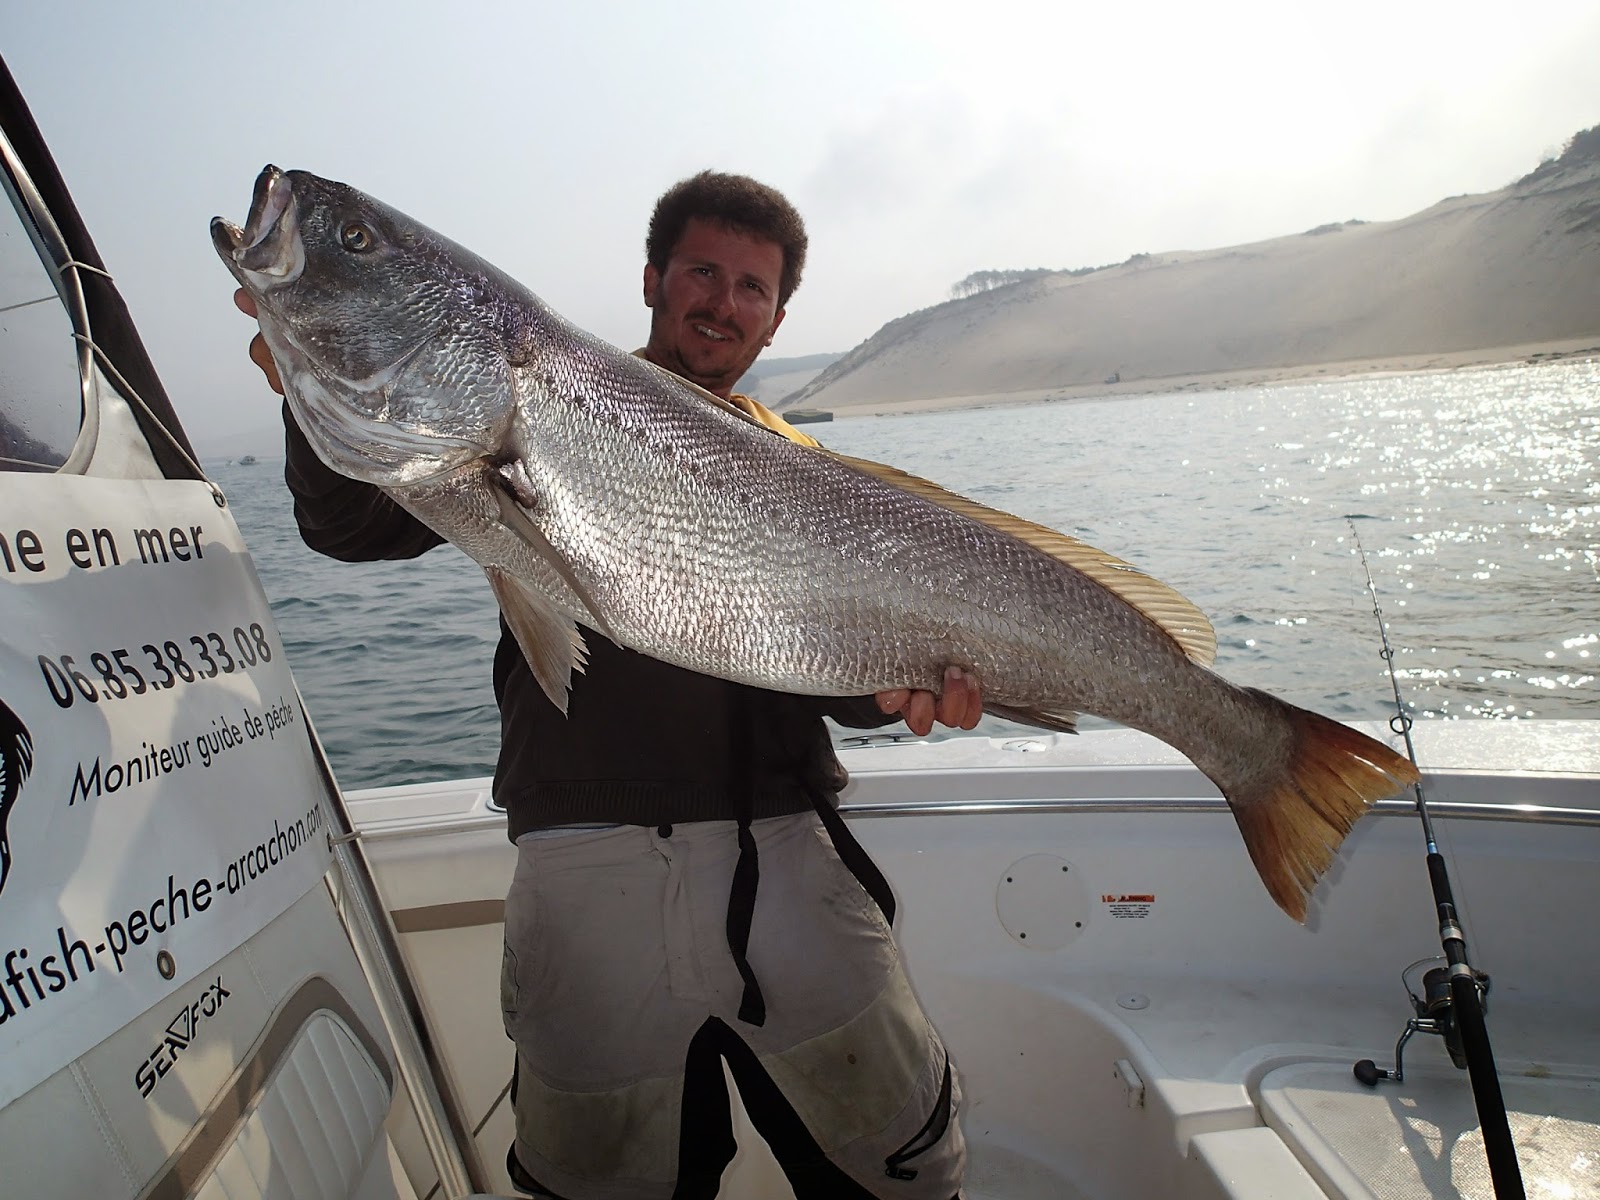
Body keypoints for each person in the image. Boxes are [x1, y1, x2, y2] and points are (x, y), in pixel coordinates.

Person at [236, 170, 979, 1200]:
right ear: (653, 280)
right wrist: (314, 383)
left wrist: (902, 691)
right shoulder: (520, 406)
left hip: (791, 858)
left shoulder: (800, 464)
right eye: (703, 273)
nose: (723, 302)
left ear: (774, 316)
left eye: (752, 288)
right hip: (585, 870)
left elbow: (833, 674)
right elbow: (348, 526)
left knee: (899, 1171)